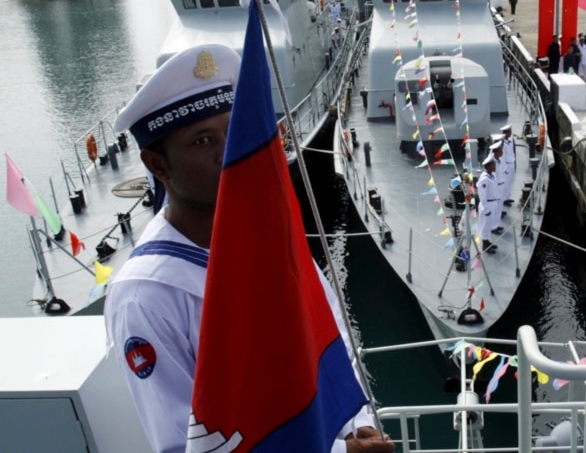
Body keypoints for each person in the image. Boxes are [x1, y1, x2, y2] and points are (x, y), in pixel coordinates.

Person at [104, 45, 391, 453]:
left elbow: (329, 336)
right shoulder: (146, 297)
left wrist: (356, 424)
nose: (229, 153)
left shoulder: (269, 234)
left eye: (234, 133)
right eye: (203, 140)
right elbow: (186, 443)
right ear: (157, 165)